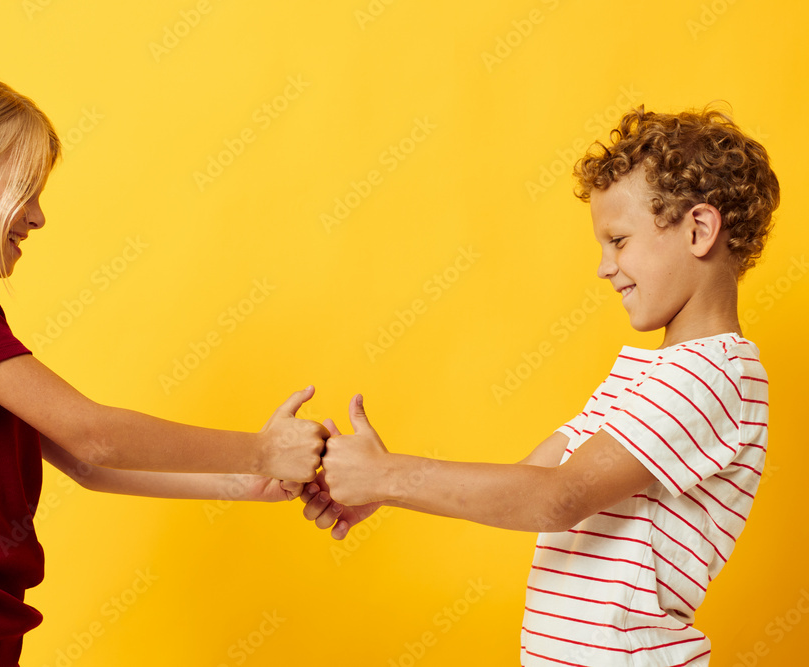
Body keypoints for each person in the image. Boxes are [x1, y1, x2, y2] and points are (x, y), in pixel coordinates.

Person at [0, 66, 329, 667]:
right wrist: (261, 451)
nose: (37, 216)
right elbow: (94, 435)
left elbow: (83, 463)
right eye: (25, 186)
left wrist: (253, 483)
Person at [300, 105, 779, 666]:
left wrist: (387, 474)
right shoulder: (653, 376)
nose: (604, 267)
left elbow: (556, 500)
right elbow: (531, 479)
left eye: (619, 240)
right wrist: (384, 487)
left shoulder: (712, 375)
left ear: (698, 229)